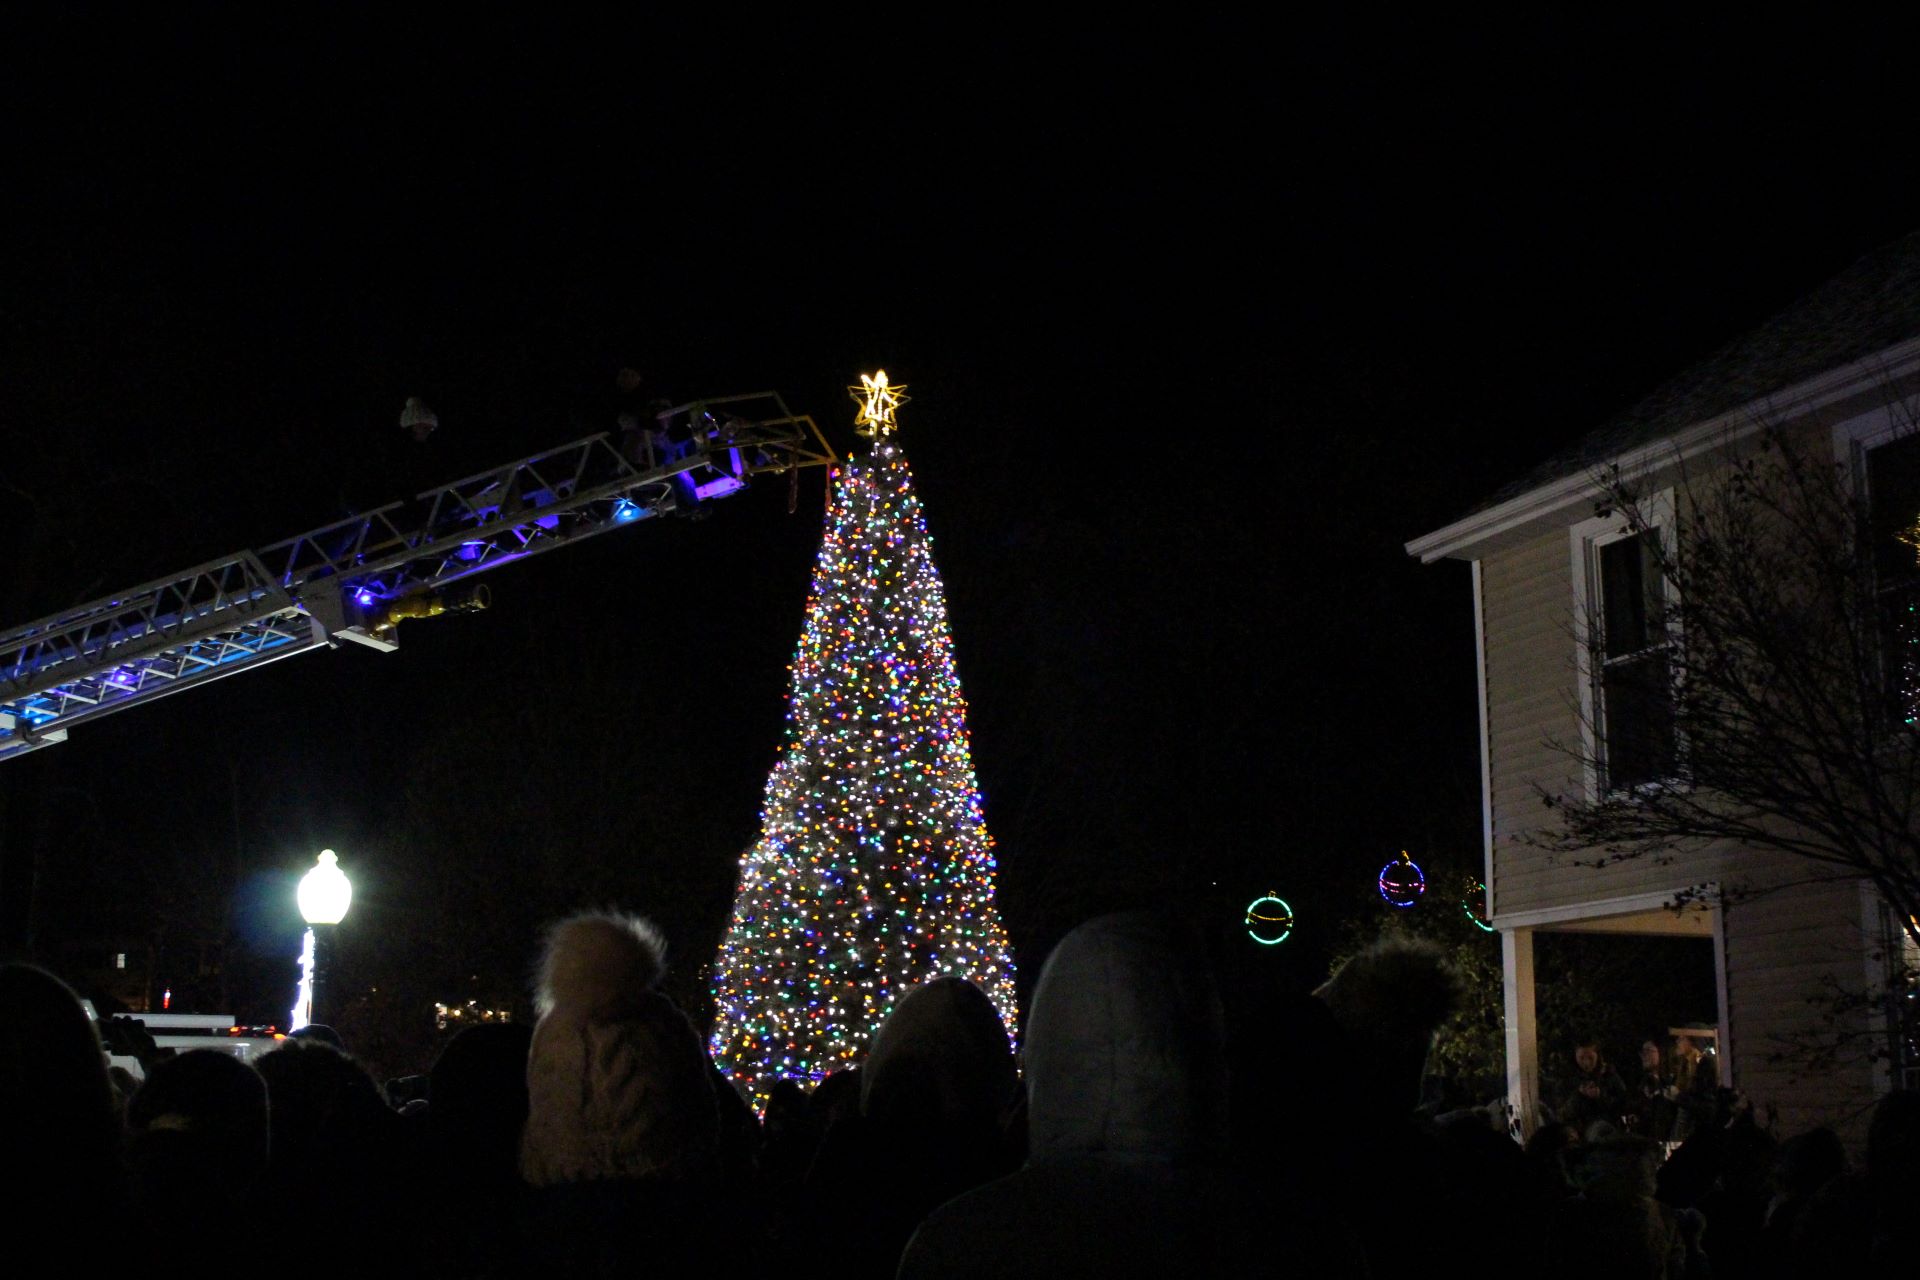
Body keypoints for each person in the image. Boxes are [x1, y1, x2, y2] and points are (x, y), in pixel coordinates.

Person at [1551, 1037, 1627, 1135]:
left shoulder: (1609, 1075)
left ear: (1597, 1056)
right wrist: (1579, 1094)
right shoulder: (1566, 1079)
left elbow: (1622, 1104)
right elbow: (1562, 1113)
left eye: (1590, 1058)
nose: (1586, 1063)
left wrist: (1600, 1095)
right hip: (1578, 1131)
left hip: (1608, 1127)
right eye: (1581, 1058)